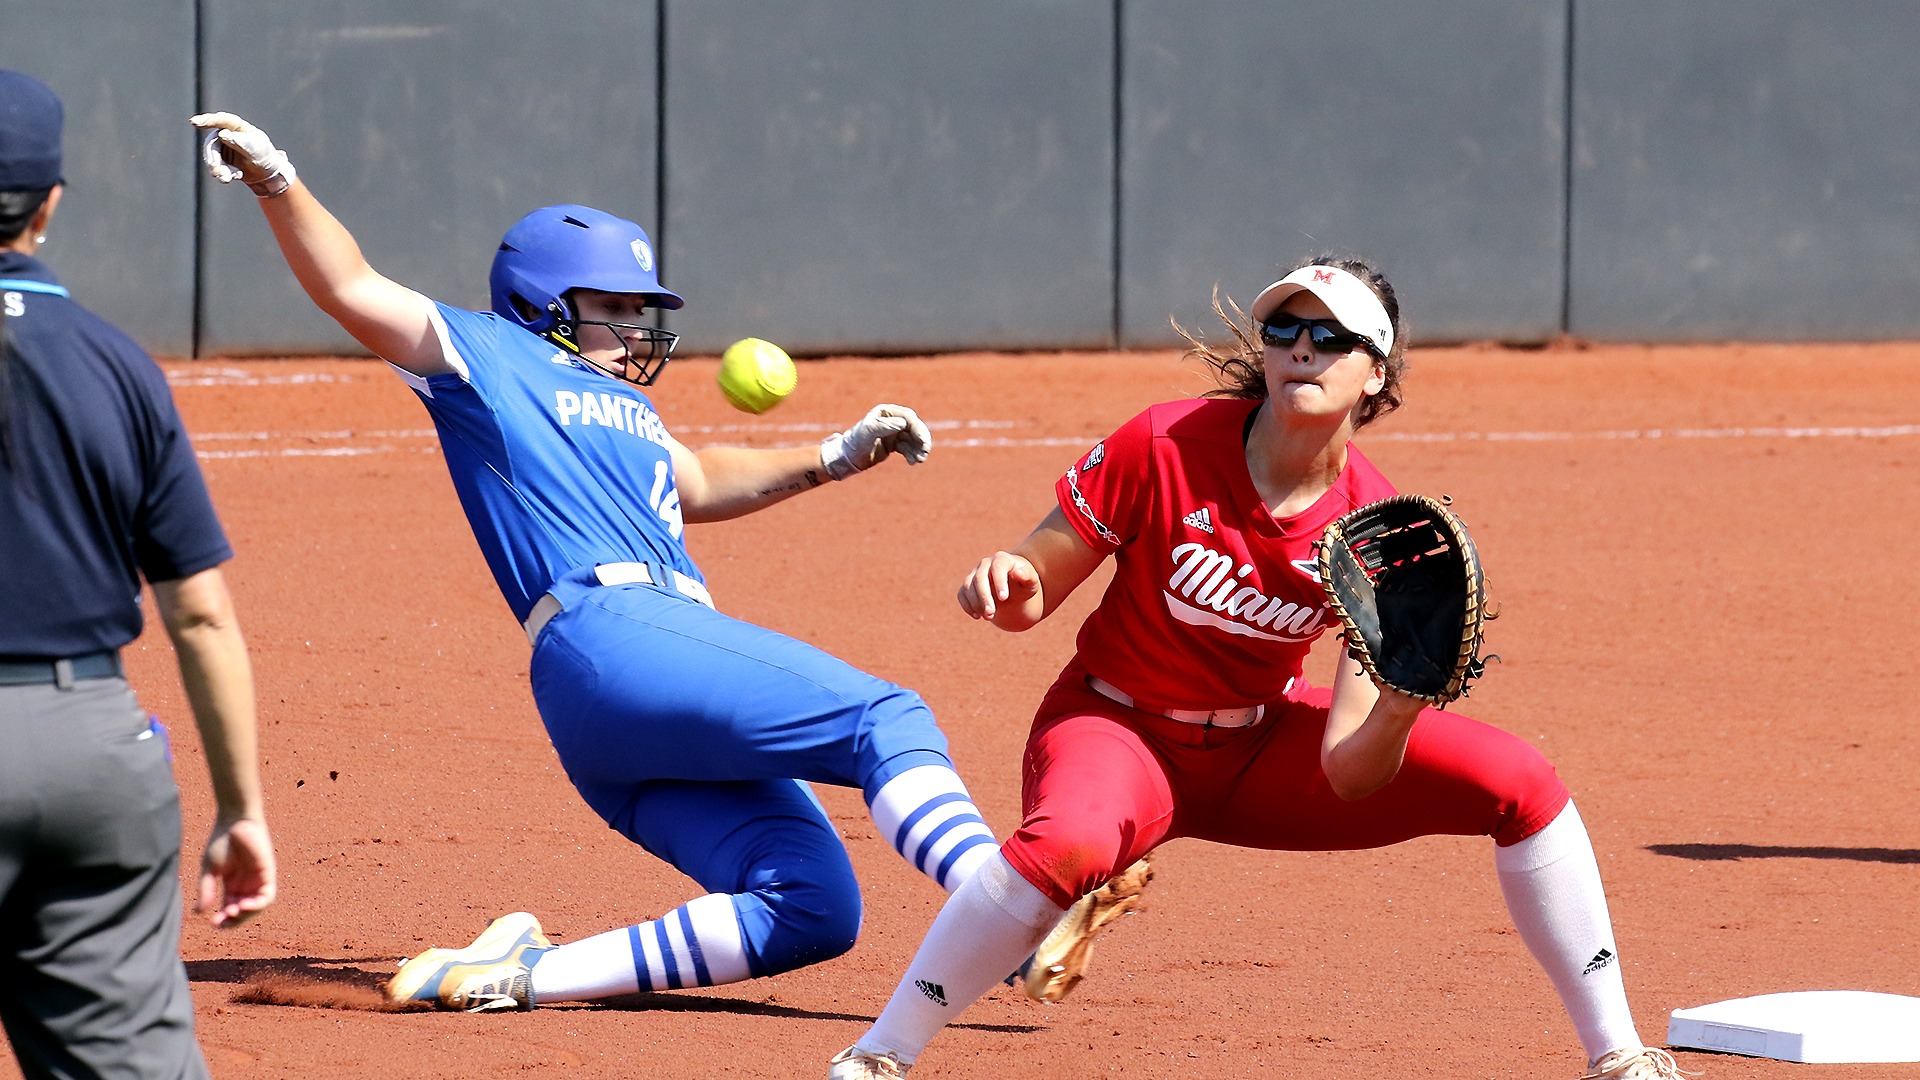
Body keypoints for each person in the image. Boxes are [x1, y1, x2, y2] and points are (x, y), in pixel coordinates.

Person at [188, 109, 1132, 1012]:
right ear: (547, 306)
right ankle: (1008, 909)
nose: (641, 325)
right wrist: (278, 180)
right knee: (889, 716)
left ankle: (516, 975)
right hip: (615, 637)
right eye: (618, 306)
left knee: (811, 906)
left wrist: (837, 454)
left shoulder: (627, 409)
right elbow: (350, 283)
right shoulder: (484, 355)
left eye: (645, 308)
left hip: (627, 700)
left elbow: (697, 477)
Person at [827, 258, 1694, 1079]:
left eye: (1332, 336)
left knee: (1521, 781)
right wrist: (1004, 583)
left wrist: (1396, 705)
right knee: (1070, 842)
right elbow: (1030, 597)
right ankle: (881, 1053)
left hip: (1255, 748)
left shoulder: (1377, 535)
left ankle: (1619, 1055)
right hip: (1114, 727)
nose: (1303, 348)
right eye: (1285, 329)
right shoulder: (1163, 442)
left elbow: (1351, 773)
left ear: (1377, 373)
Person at [0, 71, 277, 1079]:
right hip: (92, 755)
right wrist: (241, 808)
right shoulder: (118, 363)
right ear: (51, 203)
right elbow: (199, 615)